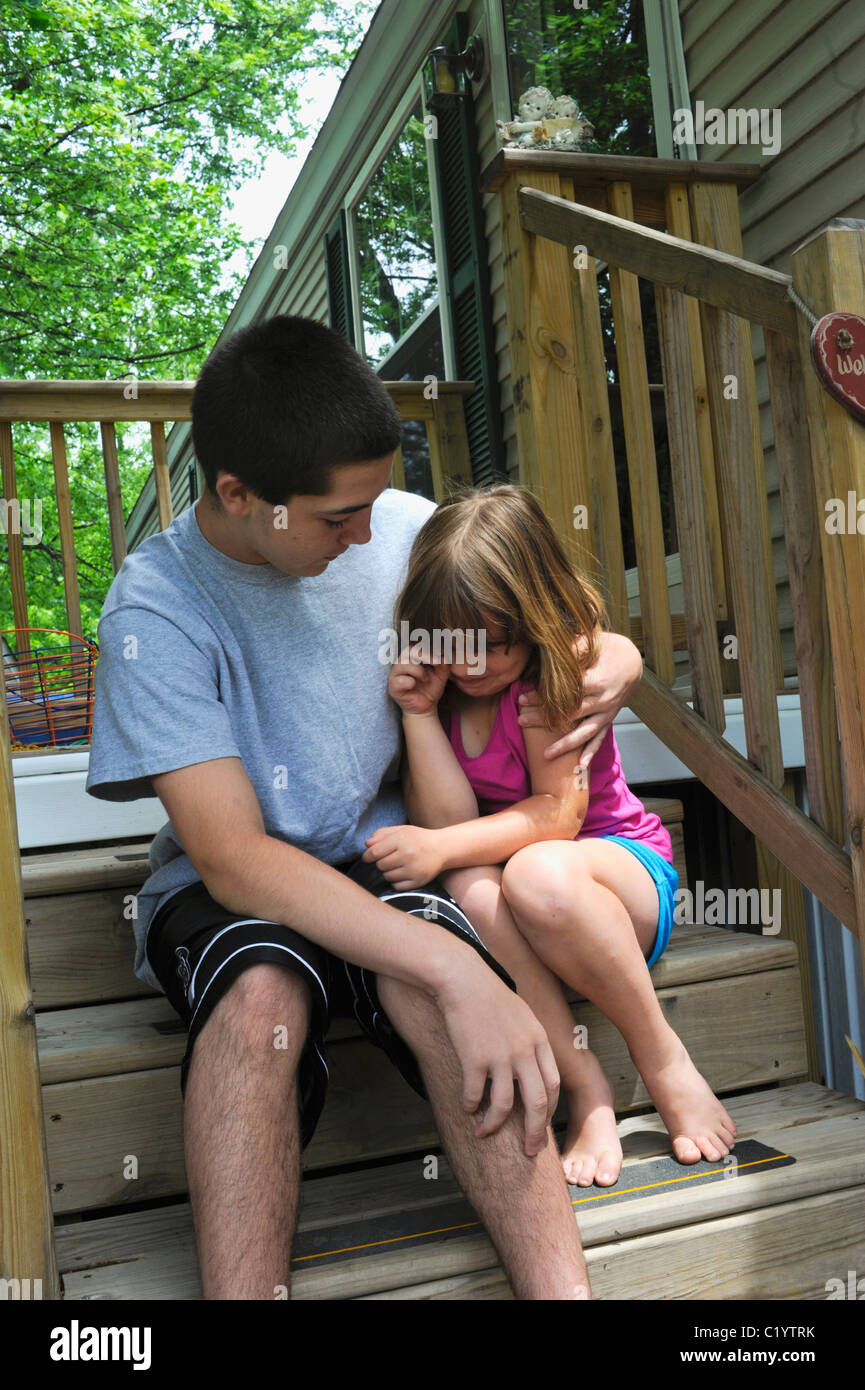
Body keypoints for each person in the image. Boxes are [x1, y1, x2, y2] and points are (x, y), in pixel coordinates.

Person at [85, 315, 643, 1301]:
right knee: (264, 1000)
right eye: (341, 517)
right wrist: (454, 963)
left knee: (444, 990)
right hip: (238, 882)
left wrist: (618, 658)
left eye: (377, 505)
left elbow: (544, 604)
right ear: (238, 496)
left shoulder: (388, 523)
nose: (369, 535)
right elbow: (233, 858)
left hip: (389, 854)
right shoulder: (156, 609)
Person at [363, 485, 737, 1189]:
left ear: (532, 617)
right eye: (457, 643)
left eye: (495, 644)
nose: (474, 666)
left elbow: (558, 817)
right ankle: (584, 1085)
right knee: (471, 888)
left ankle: (663, 1060)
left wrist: (442, 851)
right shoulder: (448, 688)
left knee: (533, 871)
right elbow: (447, 824)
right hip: (519, 897)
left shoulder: (545, 680)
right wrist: (417, 714)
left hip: (614, 879)